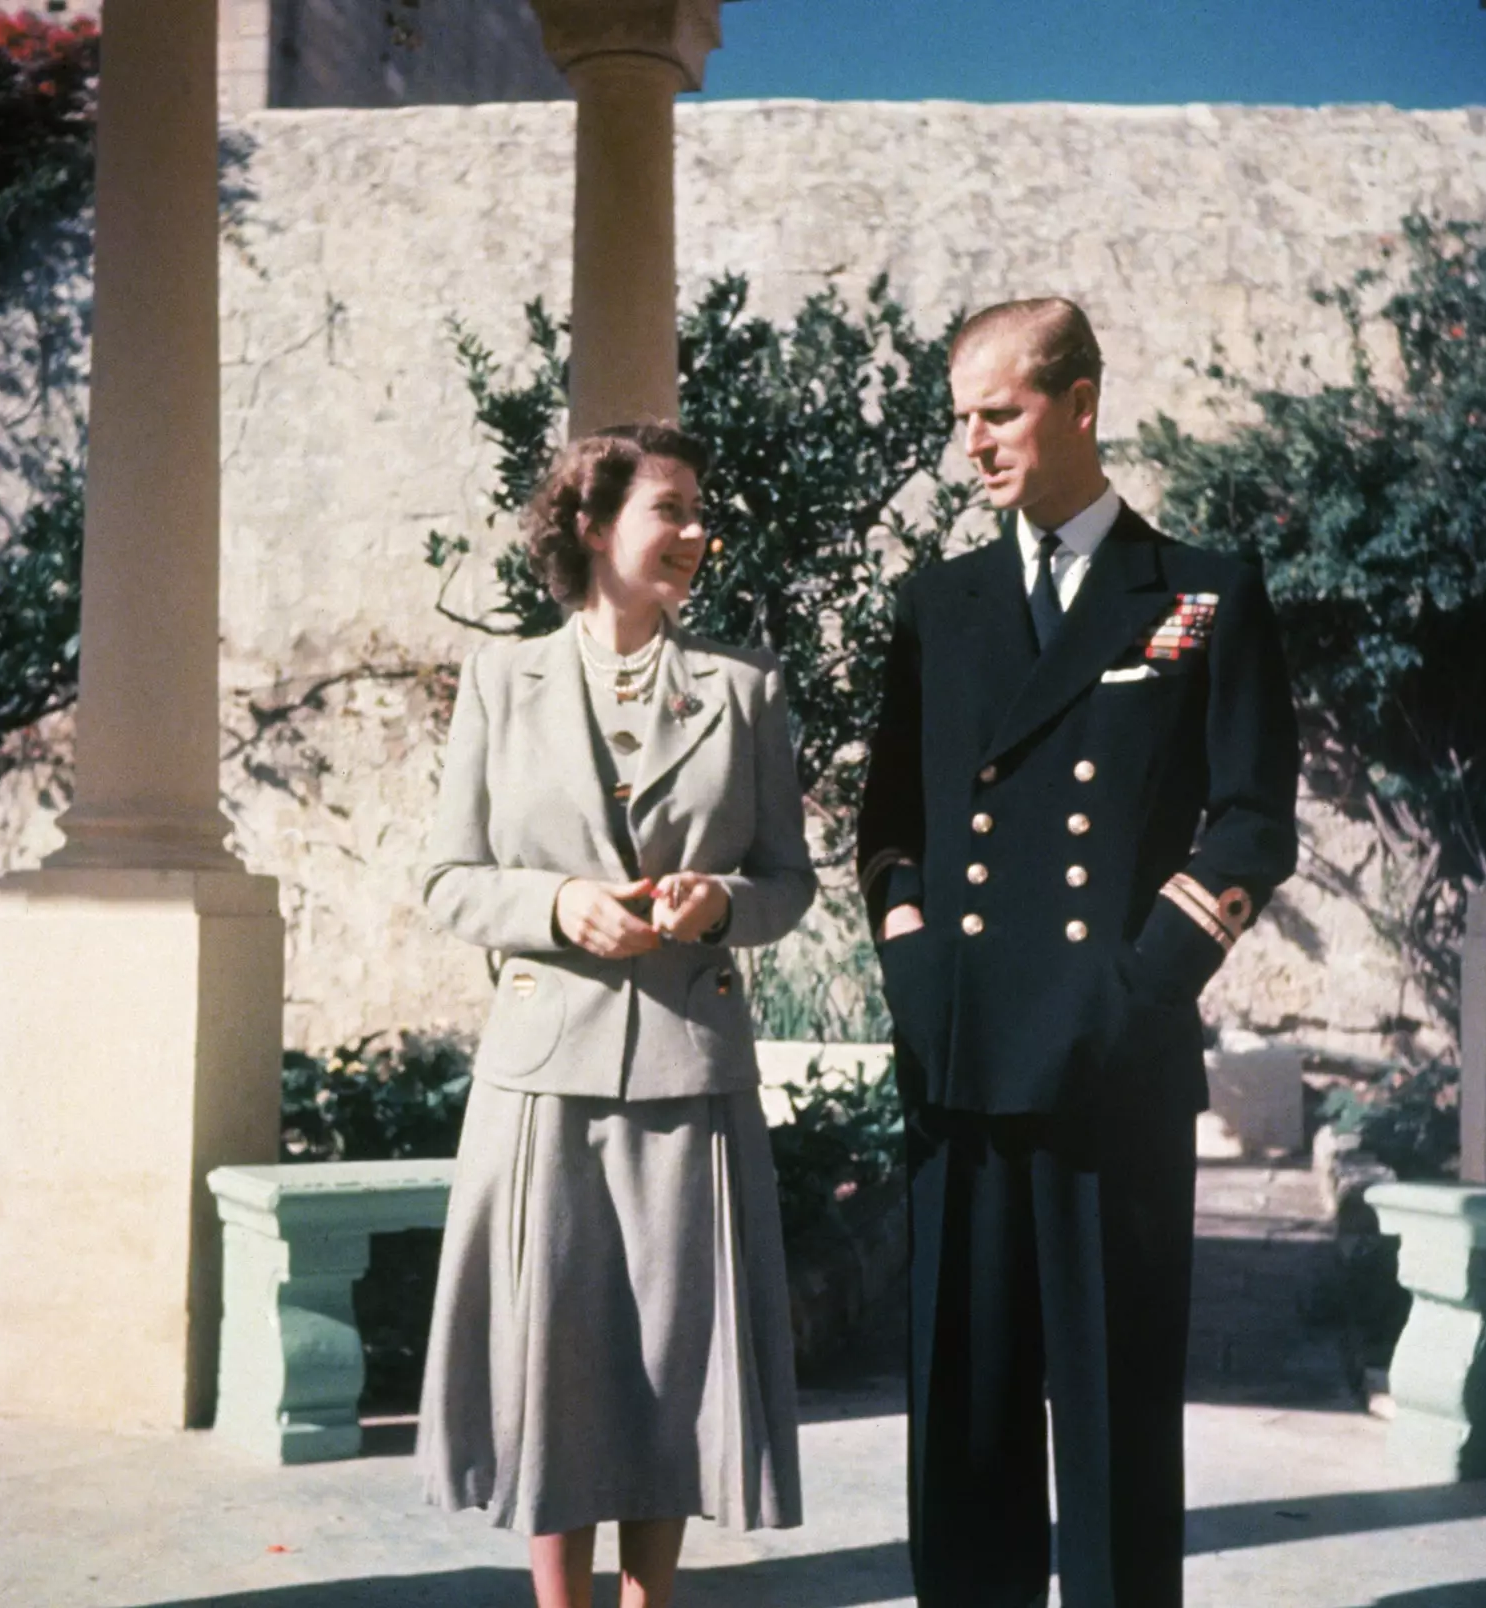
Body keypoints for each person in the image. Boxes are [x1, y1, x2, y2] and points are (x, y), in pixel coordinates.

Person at [857, 299, 1299, 1608]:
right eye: (960, 420)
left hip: (1114, 1071)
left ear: (1081, 402)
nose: (973, 446)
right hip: (963, 1062)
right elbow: (889, 826)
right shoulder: (941, 603)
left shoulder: (1201, 594)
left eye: (998, 412)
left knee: (1113, 1432)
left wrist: (1136, 989)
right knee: (965, 1433)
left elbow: (1253, 820)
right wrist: (916, 963)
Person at [417, 423, 813, 1608]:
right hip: (543, 1075)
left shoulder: (744, 690)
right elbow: (448, 878)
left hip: (691, 1075)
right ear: (592, 525)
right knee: (555, 1358)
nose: (698, 534)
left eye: (701, 512)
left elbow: (788, 883)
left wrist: (716, 904)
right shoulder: (501, 679)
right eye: (671, 511)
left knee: (667, 1361)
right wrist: (555, 904)